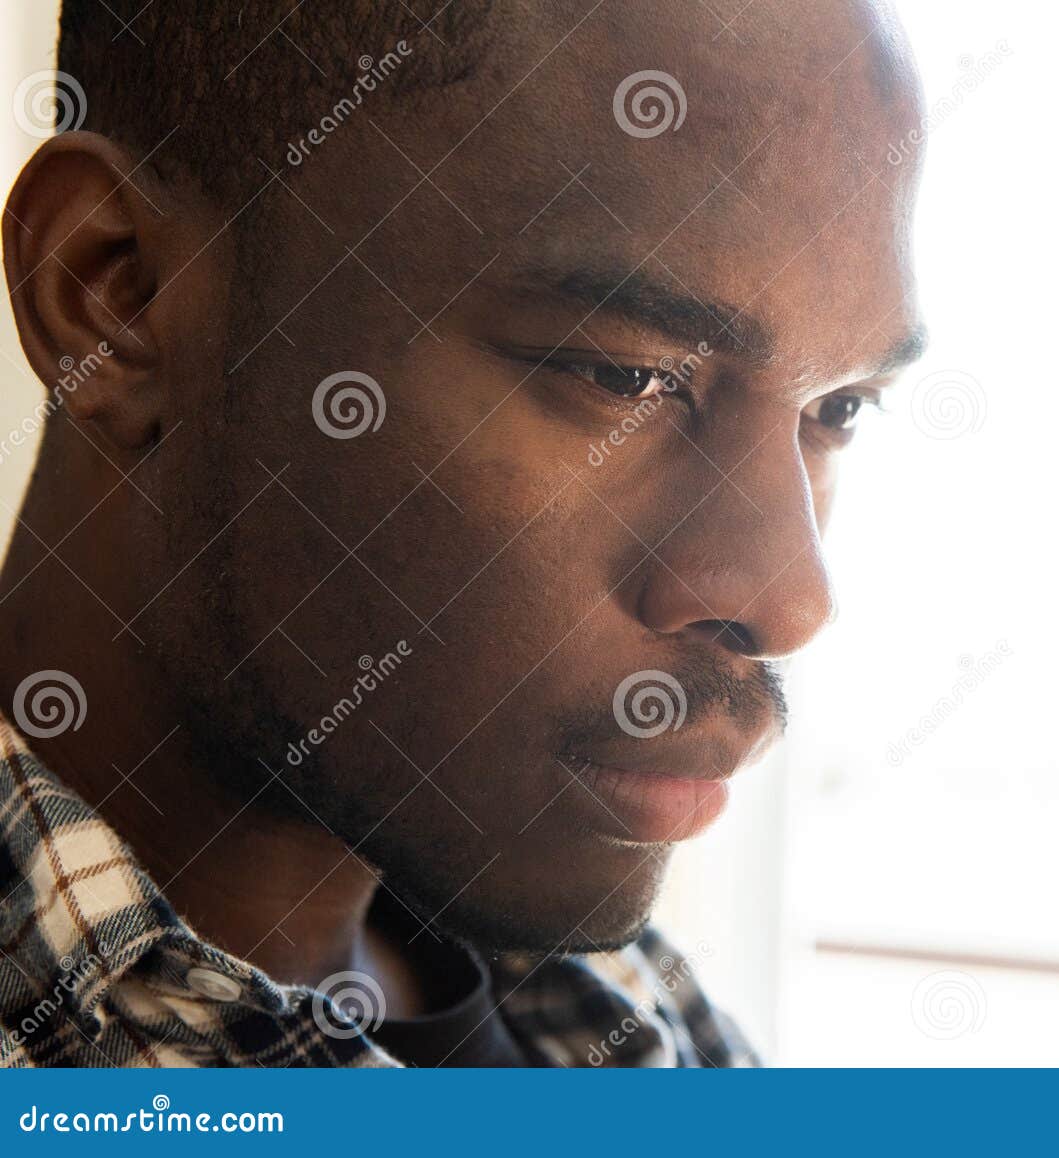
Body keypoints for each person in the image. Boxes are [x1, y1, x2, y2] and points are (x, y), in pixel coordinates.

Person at [0, 0, 925, 1067]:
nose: (788, 600)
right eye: (626, 377)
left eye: (838, 409)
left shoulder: (638, 1031)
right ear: (113, 295)